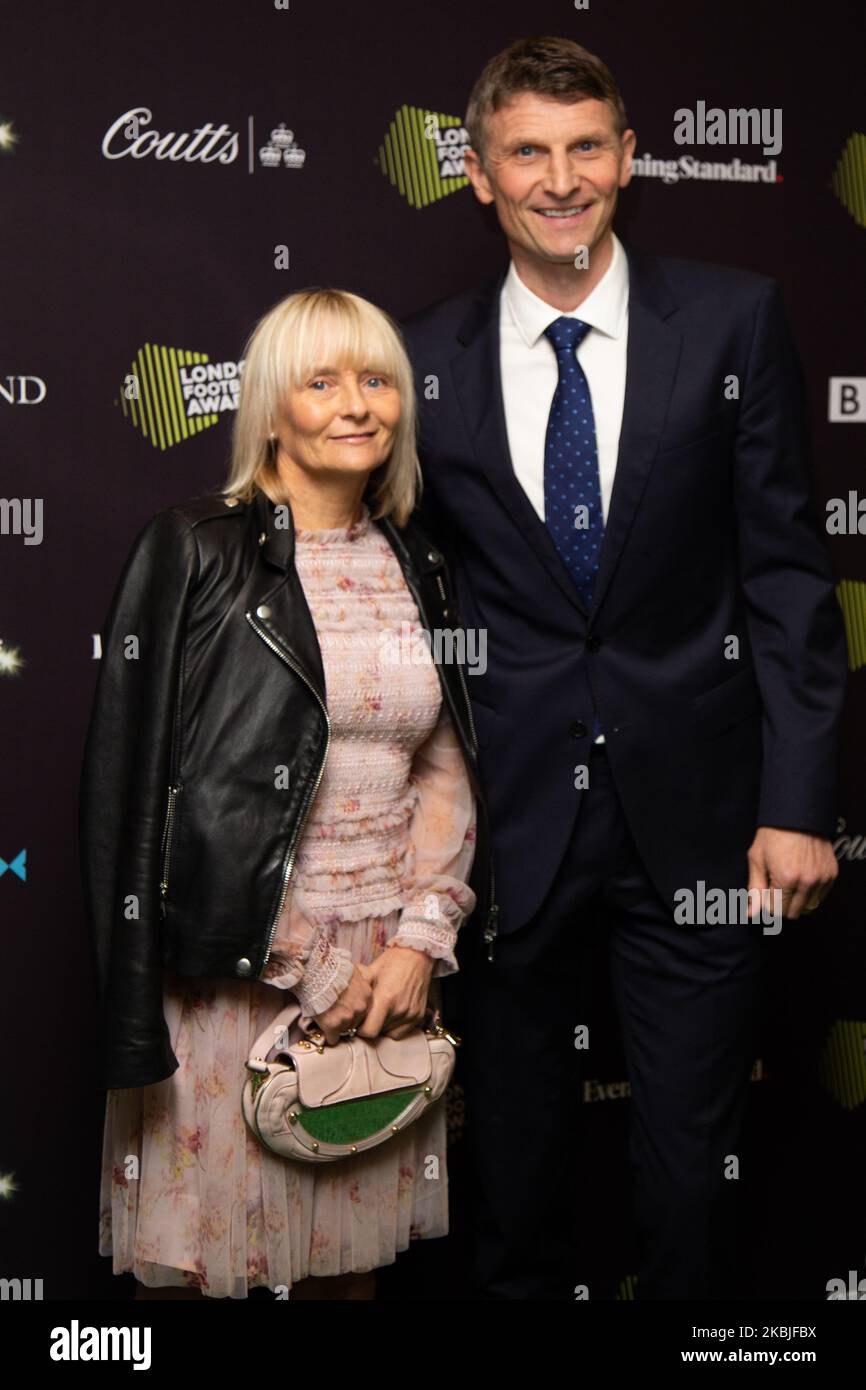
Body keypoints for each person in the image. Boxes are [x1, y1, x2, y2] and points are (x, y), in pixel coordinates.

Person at [400, 35, 847, 1299]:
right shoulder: (416, 357)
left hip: (702, 826)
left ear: (628, 157)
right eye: (526, 152)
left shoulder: (730, 316)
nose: (560, 177)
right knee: (513, 1184)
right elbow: (401, 602)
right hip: (506, 833)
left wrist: (795, 802)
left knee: (689, 1180)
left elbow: (784, 577)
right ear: (477, 175)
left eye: (584, 145)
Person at [79, 288, 491, 1299]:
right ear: (270, 406)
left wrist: (418, 933)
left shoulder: (418, 559)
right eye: (321, 382)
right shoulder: (195, 548)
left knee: (346, 1271)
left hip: (386, 975)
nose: (357, 405)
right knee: (210, 1272)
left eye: (376, 381)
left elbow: (443, 760)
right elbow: (152, 792)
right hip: (237, 971)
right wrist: (300, 961)